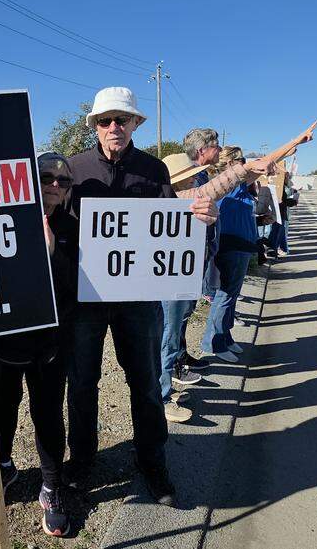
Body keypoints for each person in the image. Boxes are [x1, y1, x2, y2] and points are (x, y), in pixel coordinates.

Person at [64, 86, 221, 506]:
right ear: (95, 126)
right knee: (81, 383)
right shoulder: (73, 169)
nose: (113, 127)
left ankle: (152, 461)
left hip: (138, 301)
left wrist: (201, 220)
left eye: (122, 119)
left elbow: (172, 230)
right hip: (86, 300)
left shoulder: (154, 171)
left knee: (146, 383)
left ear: (135, 123)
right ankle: (81, 462)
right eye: (105, 120)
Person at [0, 151, 77, 537]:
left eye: (62, 181)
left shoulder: (75, 226)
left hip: (52, 341)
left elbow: (79, 287)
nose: (53, 185)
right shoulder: (2, 219)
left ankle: (51, 485)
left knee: (48, 414)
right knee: (2, 406)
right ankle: (2, 465)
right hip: (6, 340)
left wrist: (52, 251)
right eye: (46, 176)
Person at [157, 138, 271, 423]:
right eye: (187, 179)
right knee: (167, 336)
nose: (193, 183)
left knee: (174, 330)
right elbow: (220, 185)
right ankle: (162, 395)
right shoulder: (178, 202)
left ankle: (167, 386)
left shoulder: (192, 203)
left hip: (186, 276)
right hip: (172, 280)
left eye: (193, 178)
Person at [200, 147, 259, 362]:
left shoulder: (240, 188)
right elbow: (260, 167)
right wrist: (293, 145)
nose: (244, 163)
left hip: (241, 245)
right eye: (240, 160)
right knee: (225, 296)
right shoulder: (229, 186)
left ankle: (225, 335)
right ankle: (213, 342)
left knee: (231, 296)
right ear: (228, 165)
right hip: (231, 245)